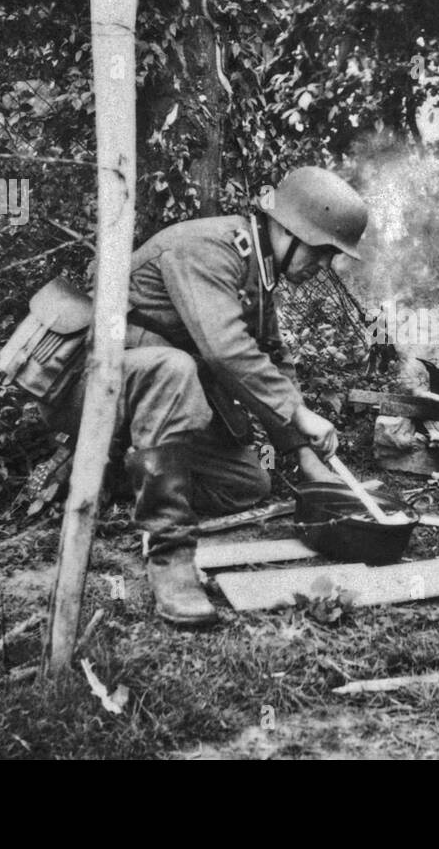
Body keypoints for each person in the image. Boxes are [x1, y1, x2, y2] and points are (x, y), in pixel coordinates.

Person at [50, 166, 368, 626]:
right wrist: (299, 414)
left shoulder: (257, 270)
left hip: (145, 398)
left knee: (245, 483)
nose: (324, 265)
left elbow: (271, 358)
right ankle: (170, 557)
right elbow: (226, 352)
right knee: (174, 368)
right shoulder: (207, 248)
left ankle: (121, 472)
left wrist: (304, 455)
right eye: (321, 251)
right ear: (289, 230)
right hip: (91, 385)